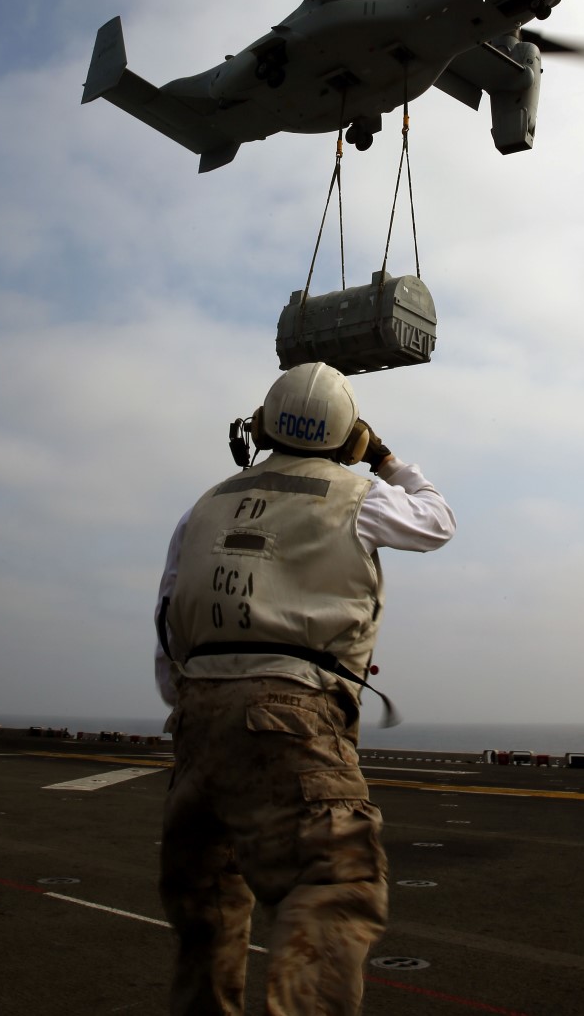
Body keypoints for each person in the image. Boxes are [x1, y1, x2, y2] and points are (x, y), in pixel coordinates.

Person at [154, 361, 455, 1016]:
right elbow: (437, 522)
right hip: (295, 716)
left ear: (259, 426)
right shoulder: (358, 497)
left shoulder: (204, 506)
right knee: (335, 888)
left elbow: (169, 618)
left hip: (198, 719)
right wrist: (385, 459)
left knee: (207, 914)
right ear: (349, 438)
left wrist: (199, 704)